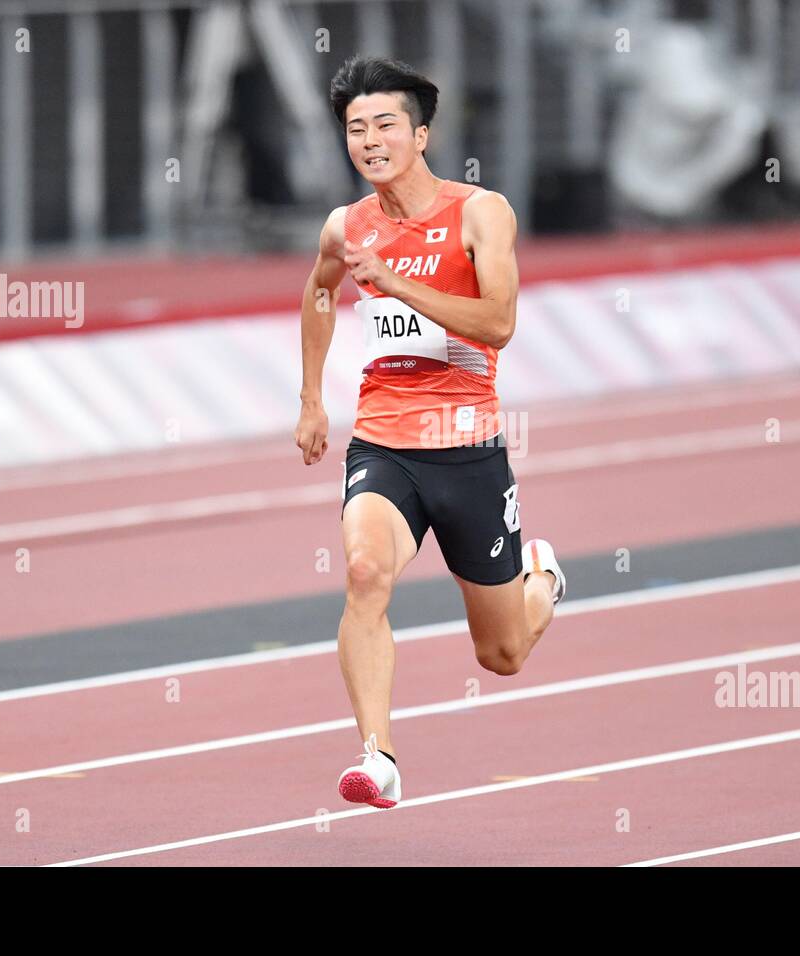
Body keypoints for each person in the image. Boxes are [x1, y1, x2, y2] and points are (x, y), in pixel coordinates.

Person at [293, 55, 566, 809]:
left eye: (385, 125)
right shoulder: (345, 226)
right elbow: (319, 293)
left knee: (502, 652)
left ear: (421, 134)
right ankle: (377, 755)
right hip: (384, 442)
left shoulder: (481, 212)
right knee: (363, 572)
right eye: (355, 129)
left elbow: (499, 325)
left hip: (468, 450)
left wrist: (397, 282)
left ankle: (539, 579)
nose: (370, 140)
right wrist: (312, 400)